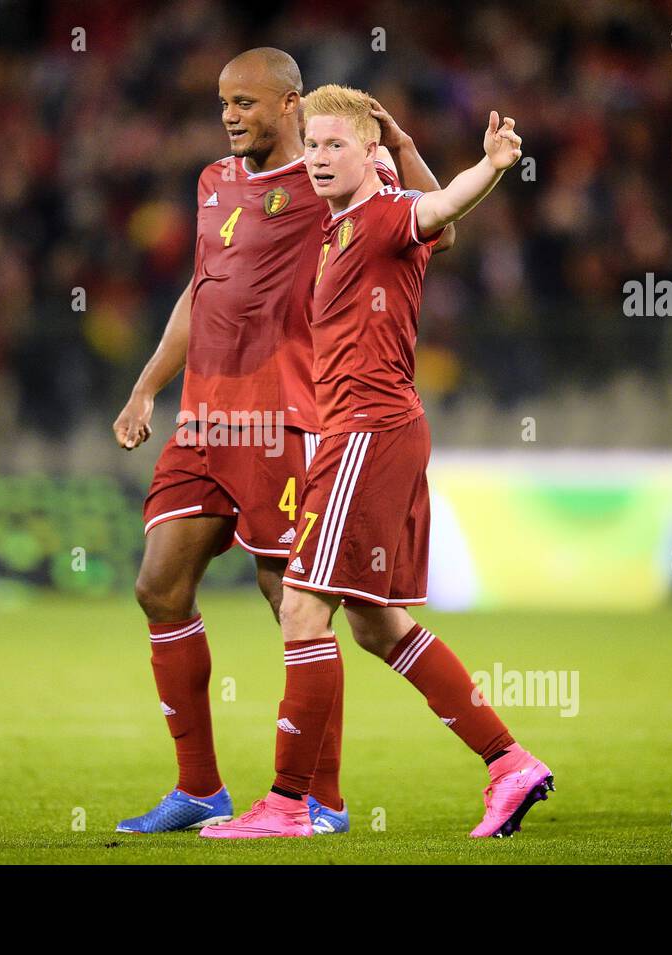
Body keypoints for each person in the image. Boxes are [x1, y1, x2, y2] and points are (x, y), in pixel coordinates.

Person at [112, 49, 449, 834]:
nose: (229, 115)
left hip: (288, 421)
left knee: (291, 604)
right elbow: (203, 292)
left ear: (292, 104)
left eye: (246, 102)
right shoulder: (211, 182)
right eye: (222, 102)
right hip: (204, 420)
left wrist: (399, 148)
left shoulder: (333, 183)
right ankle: (199, 787)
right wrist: (146, 387)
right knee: (159, 587)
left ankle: (319, 798)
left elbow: (442, 226)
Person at [202, 85, 552, 840]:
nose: (321, 159)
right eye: (315, 145)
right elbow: (441, 234)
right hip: (364, 434)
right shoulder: (345, 228)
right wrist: (403, 145)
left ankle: (292, 802)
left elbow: (441, 212)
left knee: (301, 607)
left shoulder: (383, 212)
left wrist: (486, 166)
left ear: (370, 157)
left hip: (367, 432)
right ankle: (509, 762)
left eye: (337, 146)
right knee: (374, 621)